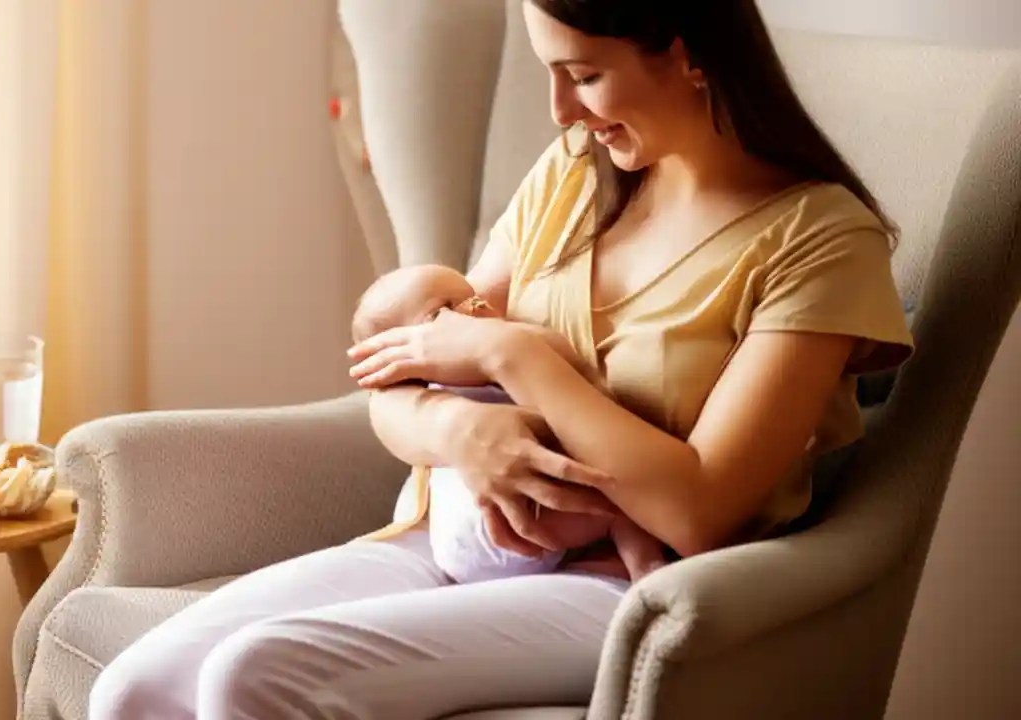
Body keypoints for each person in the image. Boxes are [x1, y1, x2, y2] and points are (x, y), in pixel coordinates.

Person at [89, 1, 914, 717]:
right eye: (550, 73)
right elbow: (398, 377)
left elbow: (699, 508)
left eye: (583, 75)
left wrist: (516, 354)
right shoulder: (574, 178)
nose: (558, 109)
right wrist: (460, 434)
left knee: (256, 674)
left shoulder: (820, 239)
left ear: (687, 52)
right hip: (451, 541)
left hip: (631, 588)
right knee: (133, 691)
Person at [350, 263, 667, 584]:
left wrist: (508, 346)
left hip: (510, 533)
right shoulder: (441, 382)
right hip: (477, 532)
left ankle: (644, 567)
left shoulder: (493, 360)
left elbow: (563, 369)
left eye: (472, 296)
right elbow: (386, 402)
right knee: (614, 505)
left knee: (617, 497)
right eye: (441, 313)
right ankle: (642, 561)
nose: (477, 306)